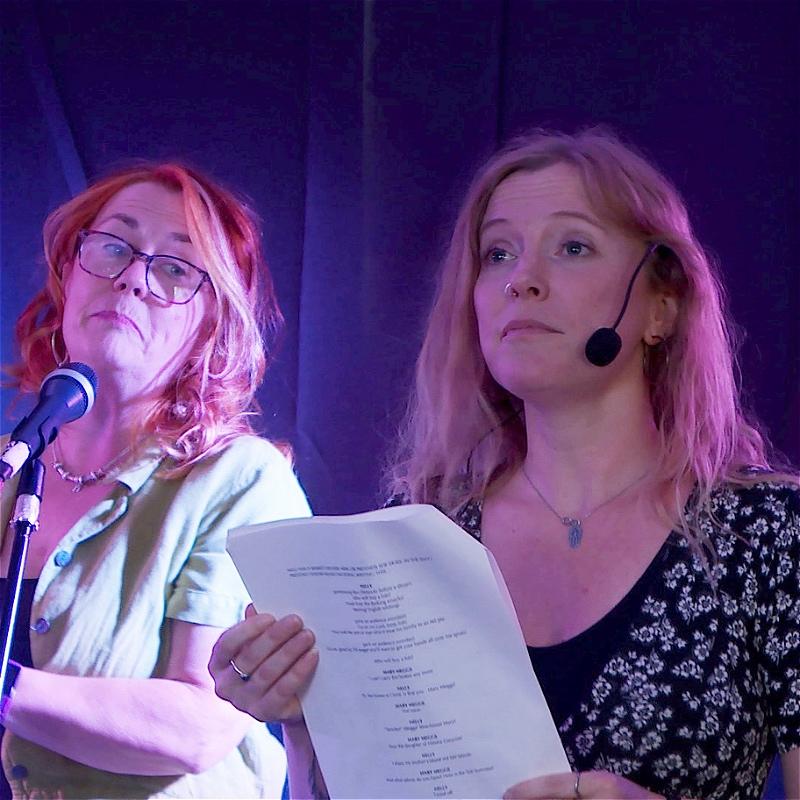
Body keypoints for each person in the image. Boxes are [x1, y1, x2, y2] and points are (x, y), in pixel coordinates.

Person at [209, 129, 799, 800]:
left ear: (661, 306)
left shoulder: (770, 537)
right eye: (498, 254)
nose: (523, 280)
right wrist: (304, 717)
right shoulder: (414, 544)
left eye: (572, 247)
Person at [0, 163, 311, 798]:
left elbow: (200, 725)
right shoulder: (11, 461)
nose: (132, 278)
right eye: (112, 247)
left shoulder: (243, 481)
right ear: (68, 273)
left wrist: (8, 691)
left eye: (175, 269)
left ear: (209, 324)